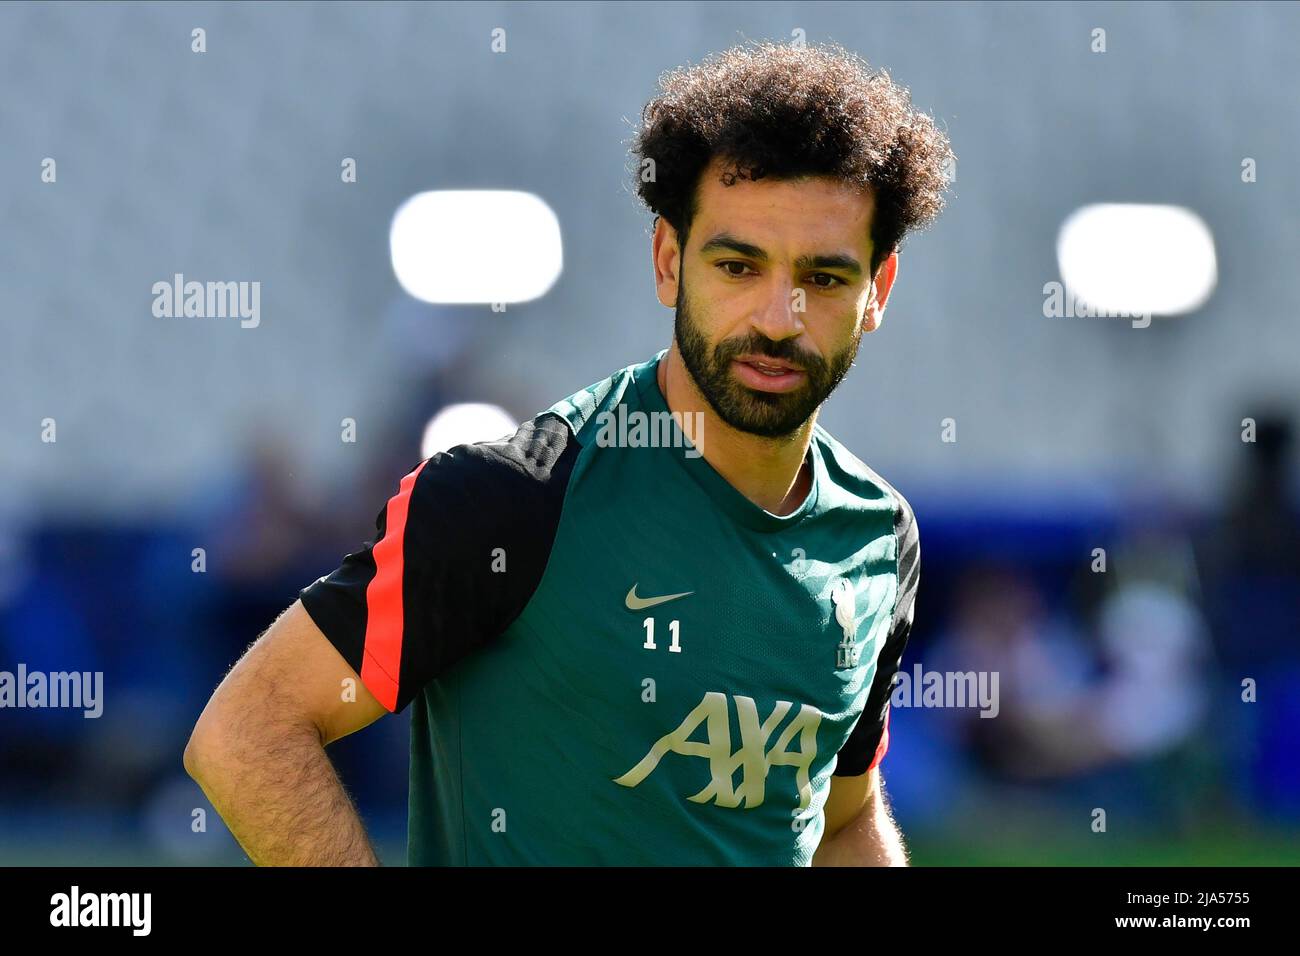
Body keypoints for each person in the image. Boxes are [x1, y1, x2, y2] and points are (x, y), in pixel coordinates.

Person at [184, 40, 953, 866]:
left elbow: (842, 821)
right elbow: (247, 732)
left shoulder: (878, 537)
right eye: (738, 265)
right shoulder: (515, 497)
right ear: (669, 261)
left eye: (826, 278)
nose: (777, 316)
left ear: (879, 291)